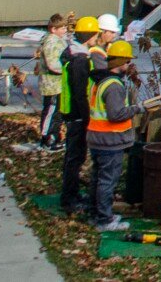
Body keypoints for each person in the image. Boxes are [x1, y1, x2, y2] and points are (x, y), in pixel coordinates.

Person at [86, 40, 138, 231]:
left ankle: (95, 214)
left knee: (98, 178)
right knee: (107, 181)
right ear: (121, 62)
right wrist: (136, 109)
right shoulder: (114, 86)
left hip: (97, 138)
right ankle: (104, 219)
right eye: (127, 62)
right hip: (110, 140)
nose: (128, 66)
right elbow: (116, 115)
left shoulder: (100, 81)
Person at [58, 17, 99, 216]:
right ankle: (69, 198)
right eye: (96, 34)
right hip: (77, 115)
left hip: (70, 112)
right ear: (90, 36)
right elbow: (80, 92)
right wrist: (87, 118)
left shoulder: (71, 53)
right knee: (75, 158)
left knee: (72, 157)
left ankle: (71, 194)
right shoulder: (81, 60)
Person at [32, 15, 69, 150]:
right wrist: (67, 69)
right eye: (62, 27)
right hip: (51, 84)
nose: (65, 30)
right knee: (51, 111)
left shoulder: (58, 40)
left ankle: (55, 136)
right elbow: (52, 64)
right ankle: (47, 139)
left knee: (58, 113)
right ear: (53, 29)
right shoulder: (51, 43)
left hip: (58, 84)